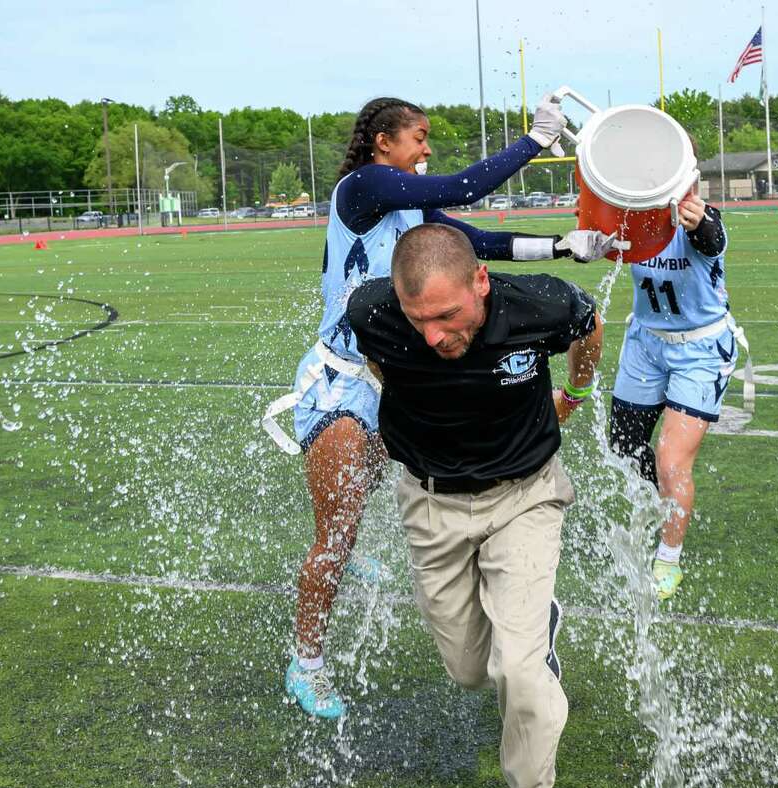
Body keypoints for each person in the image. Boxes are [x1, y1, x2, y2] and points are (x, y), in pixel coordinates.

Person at [266, 95, 624, 720]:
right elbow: (462, 187)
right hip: (345, 382)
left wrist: (564, 247)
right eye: (419, 137)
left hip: (396, 381)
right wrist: (534, 143)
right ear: (383, 142)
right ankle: (308, 660)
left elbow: (476, 242)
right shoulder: (365, 187)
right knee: (337, 534)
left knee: (379, 504)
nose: (426, 148)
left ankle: (502, 608)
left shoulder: (406, 205)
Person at [347, 223, 604, 788]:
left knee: (517, 667)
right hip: (430, 504)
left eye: (448, 316)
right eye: (419, 321)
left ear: (479, 283)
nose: (435, 336)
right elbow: (382, 360)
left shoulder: (541, 305)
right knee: (468, 671)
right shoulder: (372, 313)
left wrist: (570, 396)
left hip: (524, 495)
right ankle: (531, 632)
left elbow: (590, 326)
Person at [607, 185, 743, 599]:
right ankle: (666, 504)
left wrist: (699, 219)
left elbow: (711, 236)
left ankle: (668, 559)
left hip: (699, 350)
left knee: (670, 461)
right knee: (623, 444)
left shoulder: (703, 217)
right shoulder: (634, 219)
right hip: (646, 344)